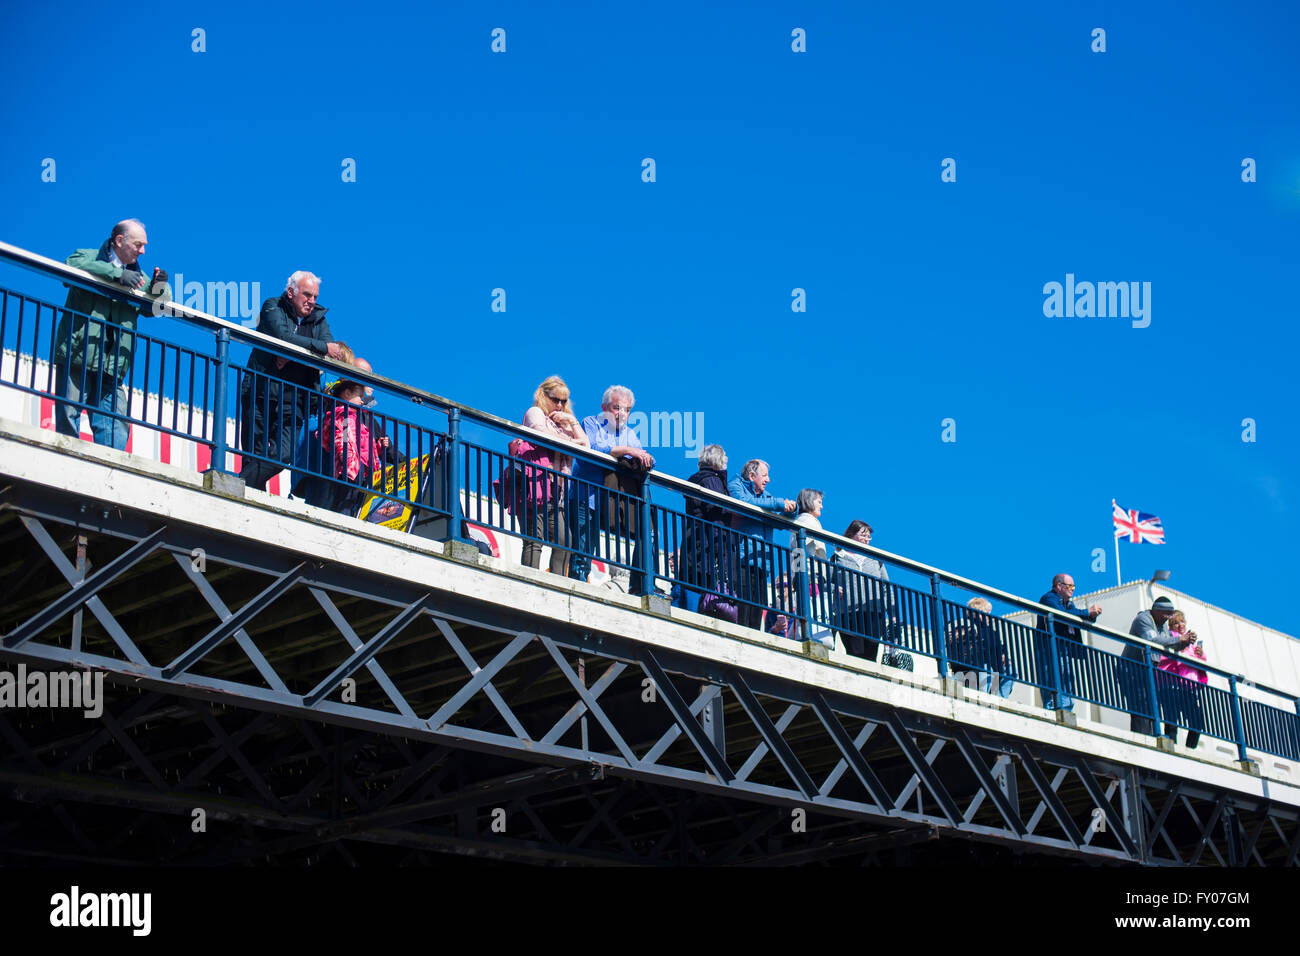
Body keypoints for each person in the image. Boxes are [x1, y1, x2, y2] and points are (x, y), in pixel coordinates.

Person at [53, 219, 169, 449]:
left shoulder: (139, 278)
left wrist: (160, 287)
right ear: (119, 240)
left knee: (115, 422)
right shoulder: (87, 257)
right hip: (79, 353)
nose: (143, 251)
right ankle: (65, 458)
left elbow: (161, 307)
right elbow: (70, 265)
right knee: (68, 411)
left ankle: (110, 472)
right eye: (138, 244)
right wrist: (115, 275)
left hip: (113, 364)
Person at [239, 271, 345, 491]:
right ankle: (250, 498)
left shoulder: (319, 319)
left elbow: (332, 352)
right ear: (290, 292)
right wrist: (317, 349)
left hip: (295, 399)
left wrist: (293, 353)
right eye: (307, 295)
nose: (312, 301)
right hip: (261, 389)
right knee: (254, 453)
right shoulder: (272, 306)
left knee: (283, 455)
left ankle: (238, 485)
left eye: (315, 296)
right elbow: (283, 337)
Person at [568, 386, 655, 590]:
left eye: (627, 410)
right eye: (616, 408)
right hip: (586, 497)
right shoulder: (590, 423)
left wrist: (645, 459)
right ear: (604, 407)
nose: (621, 414)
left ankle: (639, 587)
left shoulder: (630, 433)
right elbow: (593, 449)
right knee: (583, 550)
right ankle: (578, 588)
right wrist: (626, 451)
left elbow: (644, 456)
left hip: (614, 502)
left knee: (648, 533)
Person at [516, 376, 589, 574]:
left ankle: (557, 583)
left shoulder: (563, 424)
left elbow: (586, 447)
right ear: (543, 396)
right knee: (534, 538)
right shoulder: (535, 412)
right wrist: (572, 443)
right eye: (555, 399)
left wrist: (572, 421)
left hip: (557, 493)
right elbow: (543, 435)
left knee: (564, 541)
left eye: (563, 401)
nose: (558, 405)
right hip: (534, 486)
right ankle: (529, 580)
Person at [727, 459, 796, 629]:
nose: (768, 480)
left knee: (756, 612)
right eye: (764, 475)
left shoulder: (767, 497)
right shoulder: (736, 485)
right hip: (741, 558)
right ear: (751, 475)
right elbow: (744, 504)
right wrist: (779, 504)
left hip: (761, 564)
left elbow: (782, 522)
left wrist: (792, 509)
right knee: (741, 609)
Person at [1033, 573, 1102, 712]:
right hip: (1050, 649)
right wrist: (1087, 612)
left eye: (1073, 586)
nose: (1073, 589)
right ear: (1059, 586)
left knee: (1066, 679)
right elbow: (1062, 614)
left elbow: (1077, 615)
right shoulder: (1049, 598)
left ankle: (1066, 709)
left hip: (1062, 649)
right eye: (1070, 586)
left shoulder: (1068, 603)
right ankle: (1054, 709)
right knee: (1053, 678)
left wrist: (1091, 615)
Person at [1123, 596, 1189, 735]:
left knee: (1150, 708)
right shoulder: (1143, 619)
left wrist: (1184, 643)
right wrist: (1178, 639)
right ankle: (1142, 740)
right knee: (1140, 708)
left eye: (1169, 614)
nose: (1168, 618)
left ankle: (1150, 737)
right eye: (1166, 614)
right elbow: (1153, 640)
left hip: (1147, 671)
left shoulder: (1162, 624)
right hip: (1132, 671)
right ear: (1156, 610)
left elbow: (1167, 644)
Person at [831, 520, 894, 662]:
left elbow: (886, 587)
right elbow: (827, 582)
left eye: (869, 536)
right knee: (854, 652)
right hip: (847, 613)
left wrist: (892, 612)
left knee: (871, 653)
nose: (866, 539)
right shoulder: (838, 557)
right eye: (863, 535)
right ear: (851, 534)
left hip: (873, 612)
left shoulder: (875, 559)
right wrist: (835, 589)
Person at [680, 444, 731, 612]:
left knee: (692, 588)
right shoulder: (712, 481)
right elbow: (717, 515)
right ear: (718, 461)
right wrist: (720, 552)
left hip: (696, 542)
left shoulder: (703, 479)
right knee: (703, 591)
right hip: (707, 546)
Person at [1156, 611, 1207, 749]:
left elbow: (1200, 663)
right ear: (1170, 626)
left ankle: (1190, 749)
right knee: (1172, 721)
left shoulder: (1191, 644)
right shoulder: (1168, 637)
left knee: (1197, 723)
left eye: (1182, 621)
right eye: (1176, 623)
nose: (1180, 625)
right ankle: (1171, 748)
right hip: (1170, 684)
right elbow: (1161, 656)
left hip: (1188, 687)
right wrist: (1181, 644)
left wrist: (1201, 656)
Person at [789, 489, 831, 646]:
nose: (822, 506)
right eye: (819, 502)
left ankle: (810, 634)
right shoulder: (806, 521)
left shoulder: (810, 521)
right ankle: (808, 635)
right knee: (810, 606)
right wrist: (799, 573)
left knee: (813, 606)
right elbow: (799, 548)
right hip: (809, 573)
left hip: (809, 573)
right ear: (809, 501)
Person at [947, 597, 1009, 694]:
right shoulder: (966, 626)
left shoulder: (991, 631)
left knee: (1011, 670)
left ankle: (998, 697)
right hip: (972, 665)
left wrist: (1003, 654)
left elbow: (999, 647)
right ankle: (983, 696)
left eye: (989, 612)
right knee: (987, 667)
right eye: (985, 612)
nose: (988, 615)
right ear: (976, 613)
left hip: (989, 664)